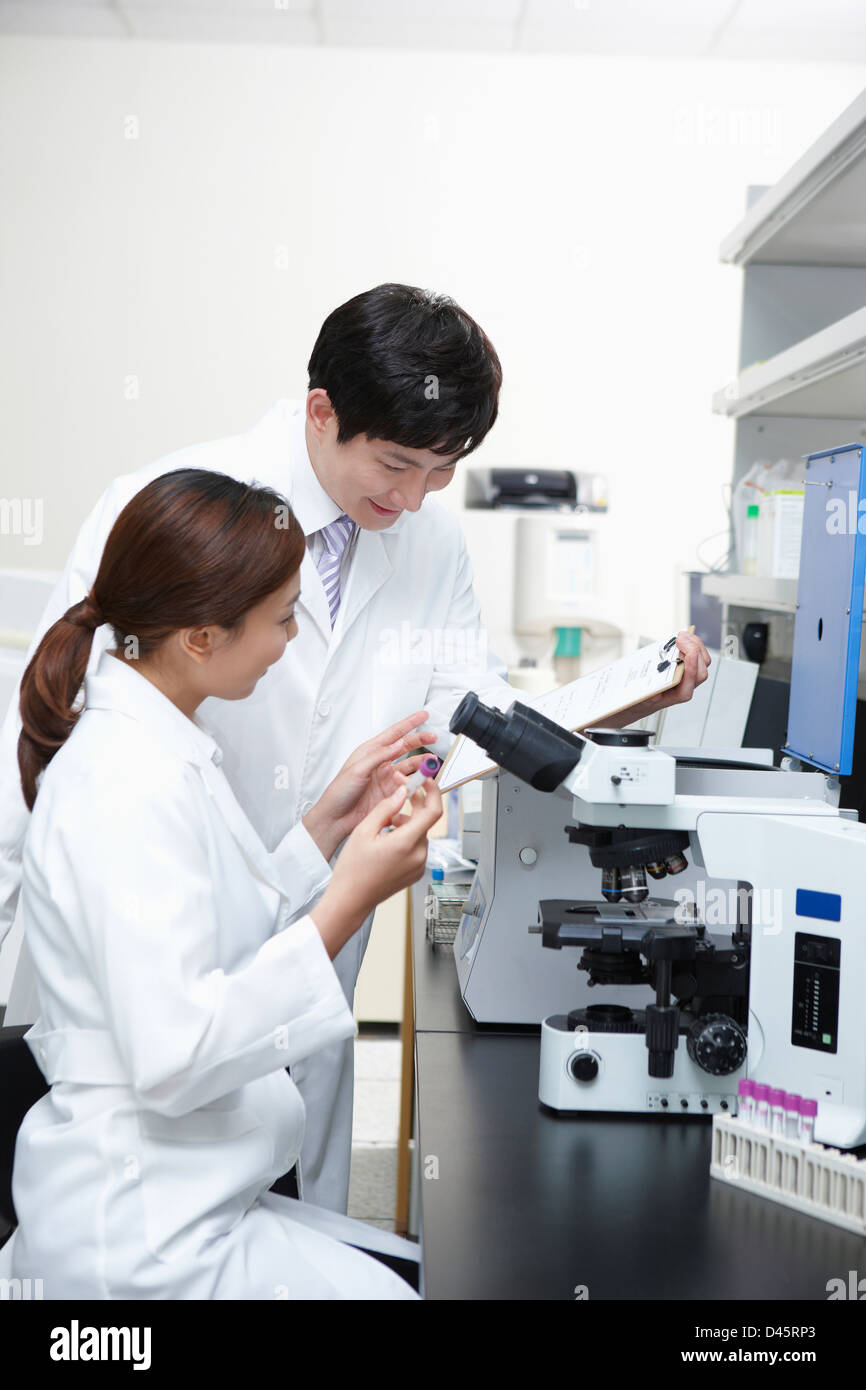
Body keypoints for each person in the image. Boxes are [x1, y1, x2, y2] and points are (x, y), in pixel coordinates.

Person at [0, 283, 710, 1210]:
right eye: (396, 463)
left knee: (299, 1201)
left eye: (441, 473)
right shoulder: (172, 508)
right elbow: (47, 740)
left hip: (308, 932)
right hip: (161, 962)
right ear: (322, 412)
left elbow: (473, 710)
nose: (413, 498)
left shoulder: (429, 541)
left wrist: (620, 698)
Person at [3, 469, 441, 1299]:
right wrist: (349, 900)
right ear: (201, 638)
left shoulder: (160, 744)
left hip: (192, 1193)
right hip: (142, 1242)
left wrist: (325, 829)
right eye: (282, 621)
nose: (288, 644)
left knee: (419, 1275)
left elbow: (207, 923)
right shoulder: (124, 782)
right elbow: (177, 1054)